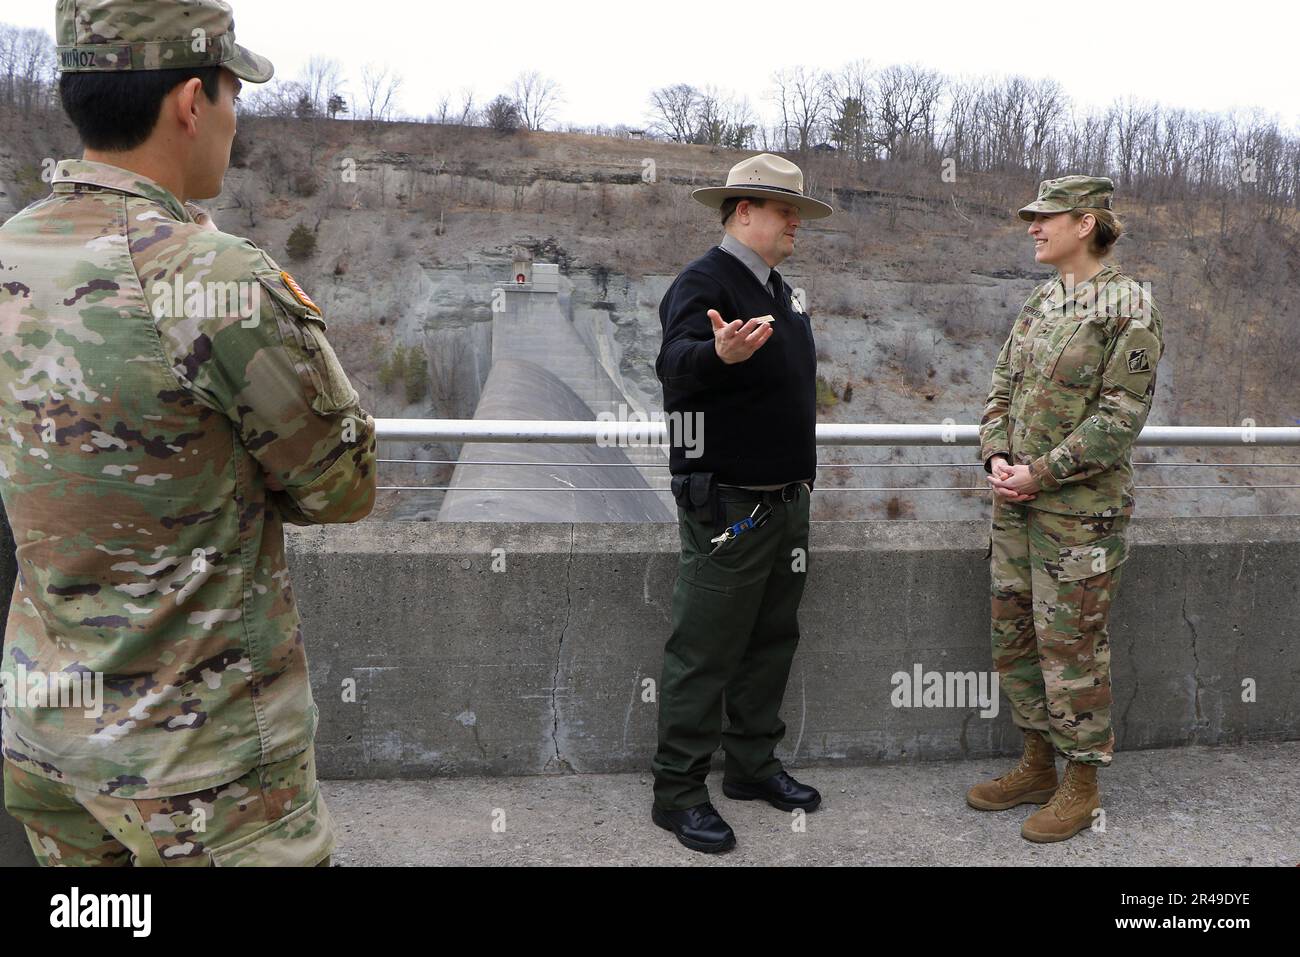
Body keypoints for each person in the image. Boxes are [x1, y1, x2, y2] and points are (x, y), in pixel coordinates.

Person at [0, 0, 376, 866]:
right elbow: (344, 485)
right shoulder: (211, 277)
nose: (236, 120)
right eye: (233, 93)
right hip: (207, 779)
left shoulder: (15, 252)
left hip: (48, 746)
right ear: (189, 103)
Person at [970, 175, 1162, 842]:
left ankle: (1082, 784)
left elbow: (1119, 419)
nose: (1033, 226)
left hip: (1078, 518)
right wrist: (996, 454)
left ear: (1086, 223)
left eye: (1046, 216)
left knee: (1071, 650)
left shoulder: (1129, 308)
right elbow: (999, 386)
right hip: (1015, 509)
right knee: (1014, 635)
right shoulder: (1041, 301)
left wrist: (1041, 473)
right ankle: (1036, 764)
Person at [649, 153, 832, 853]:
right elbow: (675, 364)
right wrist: (716, 355)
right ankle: (677, 792)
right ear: (743, 211)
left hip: (783, 502)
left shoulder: (779, 289)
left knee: (770, 641)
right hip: (729, 506)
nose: (796, 224)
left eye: (798, 213)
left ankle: (751, 766)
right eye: (786, 211)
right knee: (704, 651)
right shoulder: (704, 283)